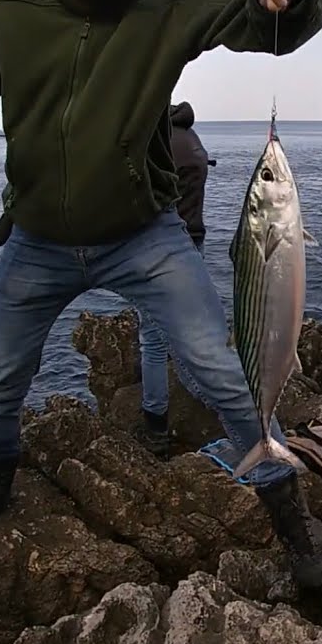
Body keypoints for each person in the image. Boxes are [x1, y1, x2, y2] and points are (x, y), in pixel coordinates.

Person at [0, 0, 322, 590]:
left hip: (144, 235)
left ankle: (291, 518)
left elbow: (264, 19)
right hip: (37, 239)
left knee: (223, 370)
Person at [136, 99, 213, 457]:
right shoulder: (190, 137)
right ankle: (223, 402)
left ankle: (155, 427)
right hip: (194, 242)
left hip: (161, 247)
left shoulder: (158, 141)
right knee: (197, 332)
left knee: (153, 342)